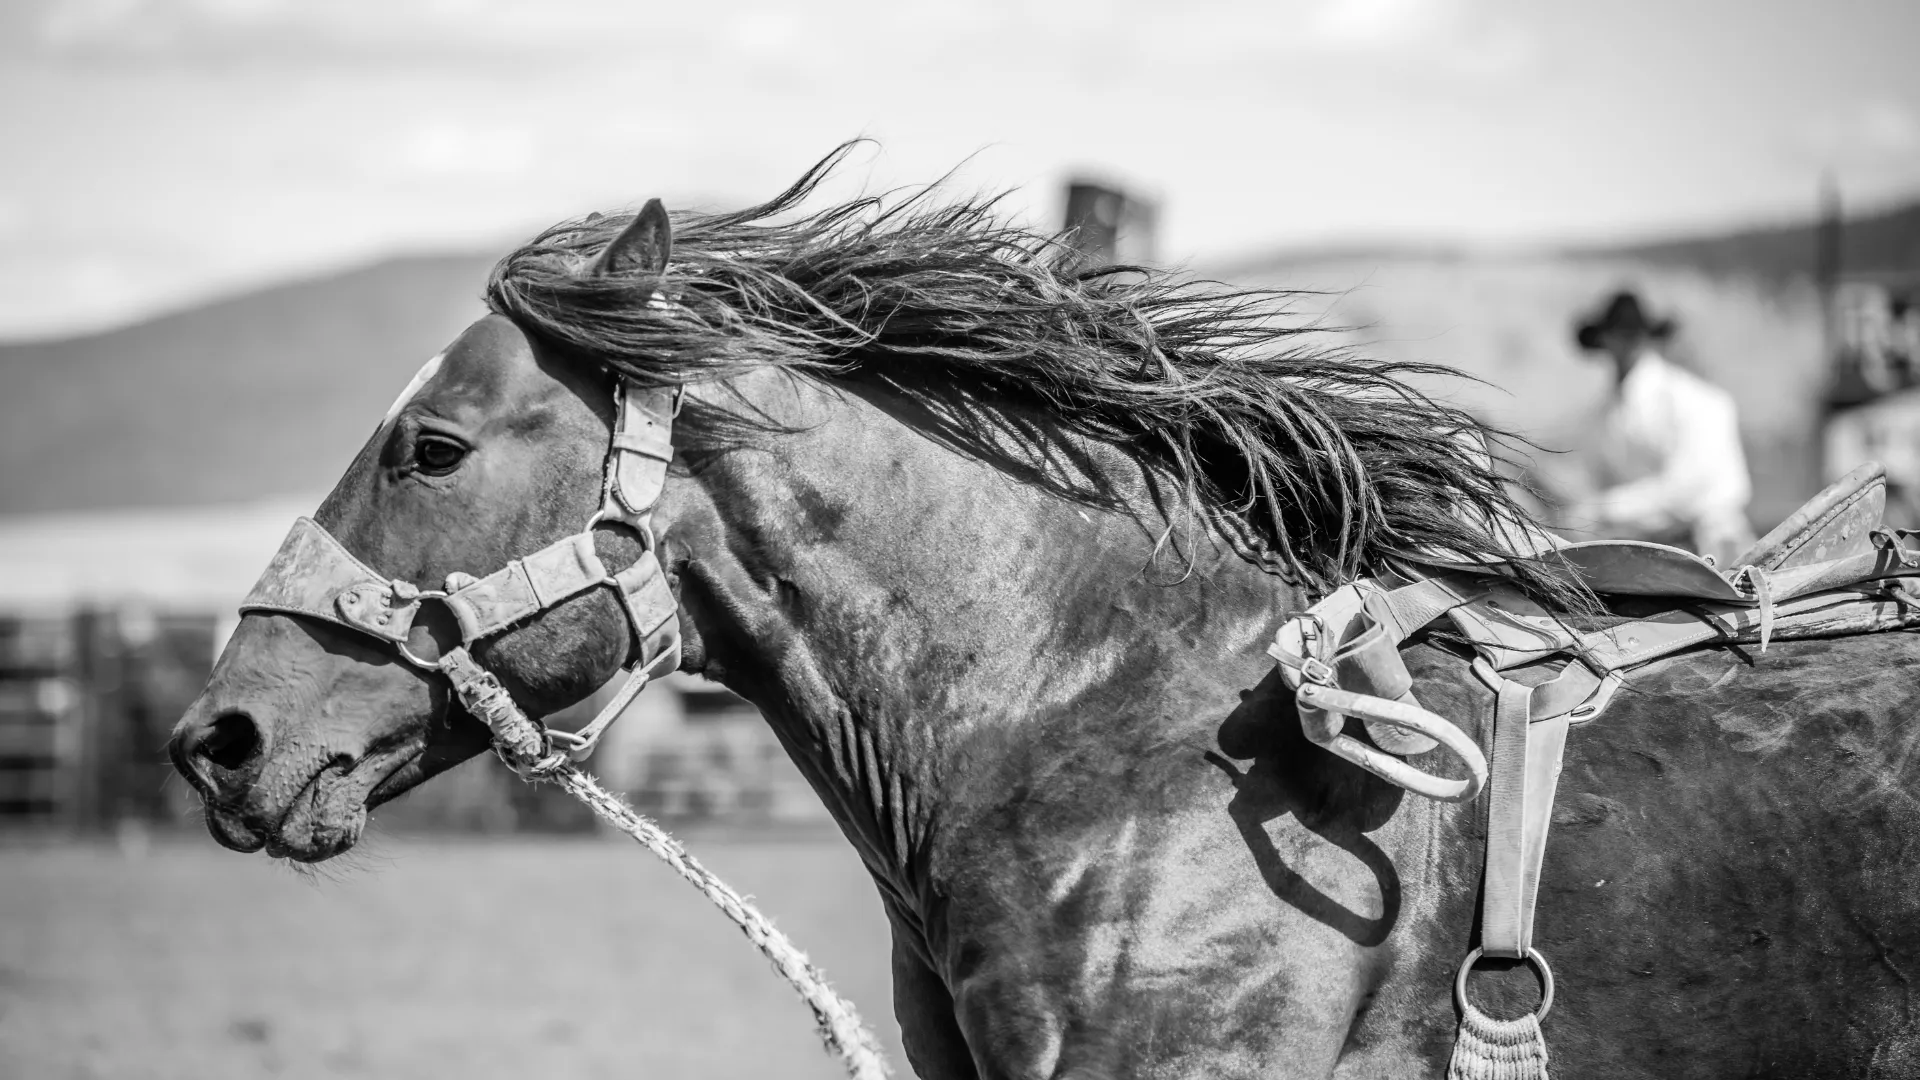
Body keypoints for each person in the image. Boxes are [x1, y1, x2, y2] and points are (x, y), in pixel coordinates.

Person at [1567, 289, 1755, 565]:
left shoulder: (1696, 401)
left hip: (1713, 547)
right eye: (1619, 333)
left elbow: (1684, 490)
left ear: (1646, 338)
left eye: (1631, 334)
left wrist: (1602, 508)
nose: (1626, 343)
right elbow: (1598, 485)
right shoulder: (1600, 416)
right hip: (1649, 553)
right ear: (1604, 340)